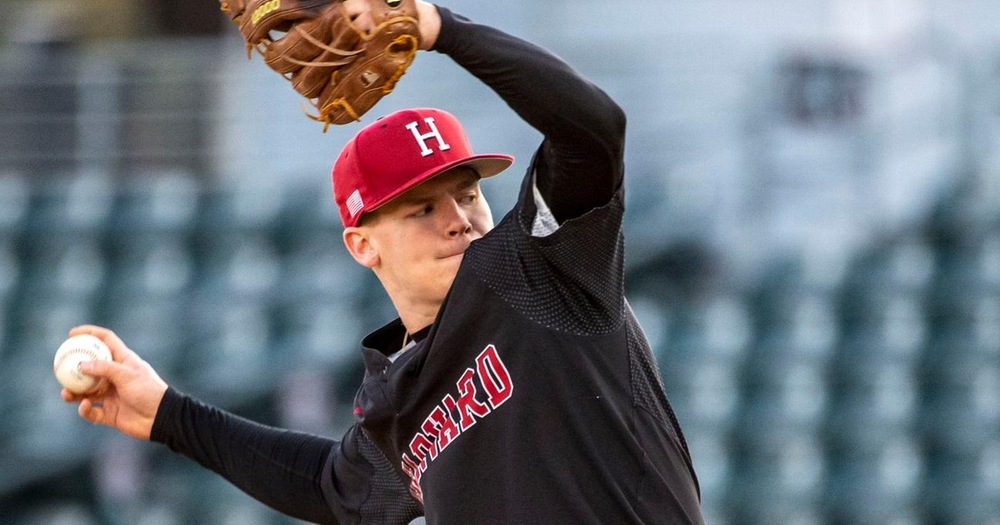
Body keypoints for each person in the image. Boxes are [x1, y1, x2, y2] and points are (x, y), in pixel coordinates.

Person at [61, 1, 705, 523]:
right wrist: (169, 415)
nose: (459, 216)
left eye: (468, 192)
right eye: (422, 208)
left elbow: (594, 132)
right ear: (362, 244)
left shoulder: (542, 270)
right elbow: (334, 487)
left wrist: (442, 28)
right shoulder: (399, 396)